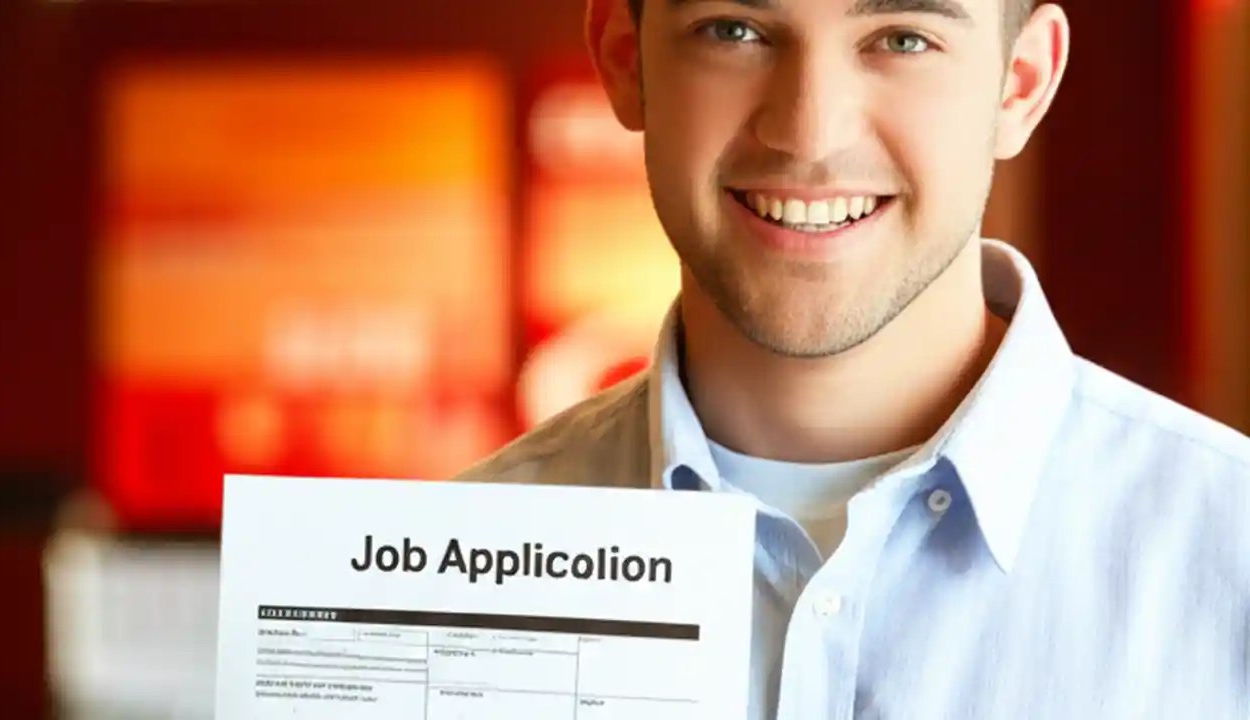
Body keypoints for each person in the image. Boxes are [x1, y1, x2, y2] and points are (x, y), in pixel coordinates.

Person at [456, 0, 1250, 717]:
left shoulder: (1231, 552)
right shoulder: (438, 579)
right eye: (734, 31)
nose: (809, 133)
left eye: (903, 40)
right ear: (625, 61)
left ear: (1021, 82)